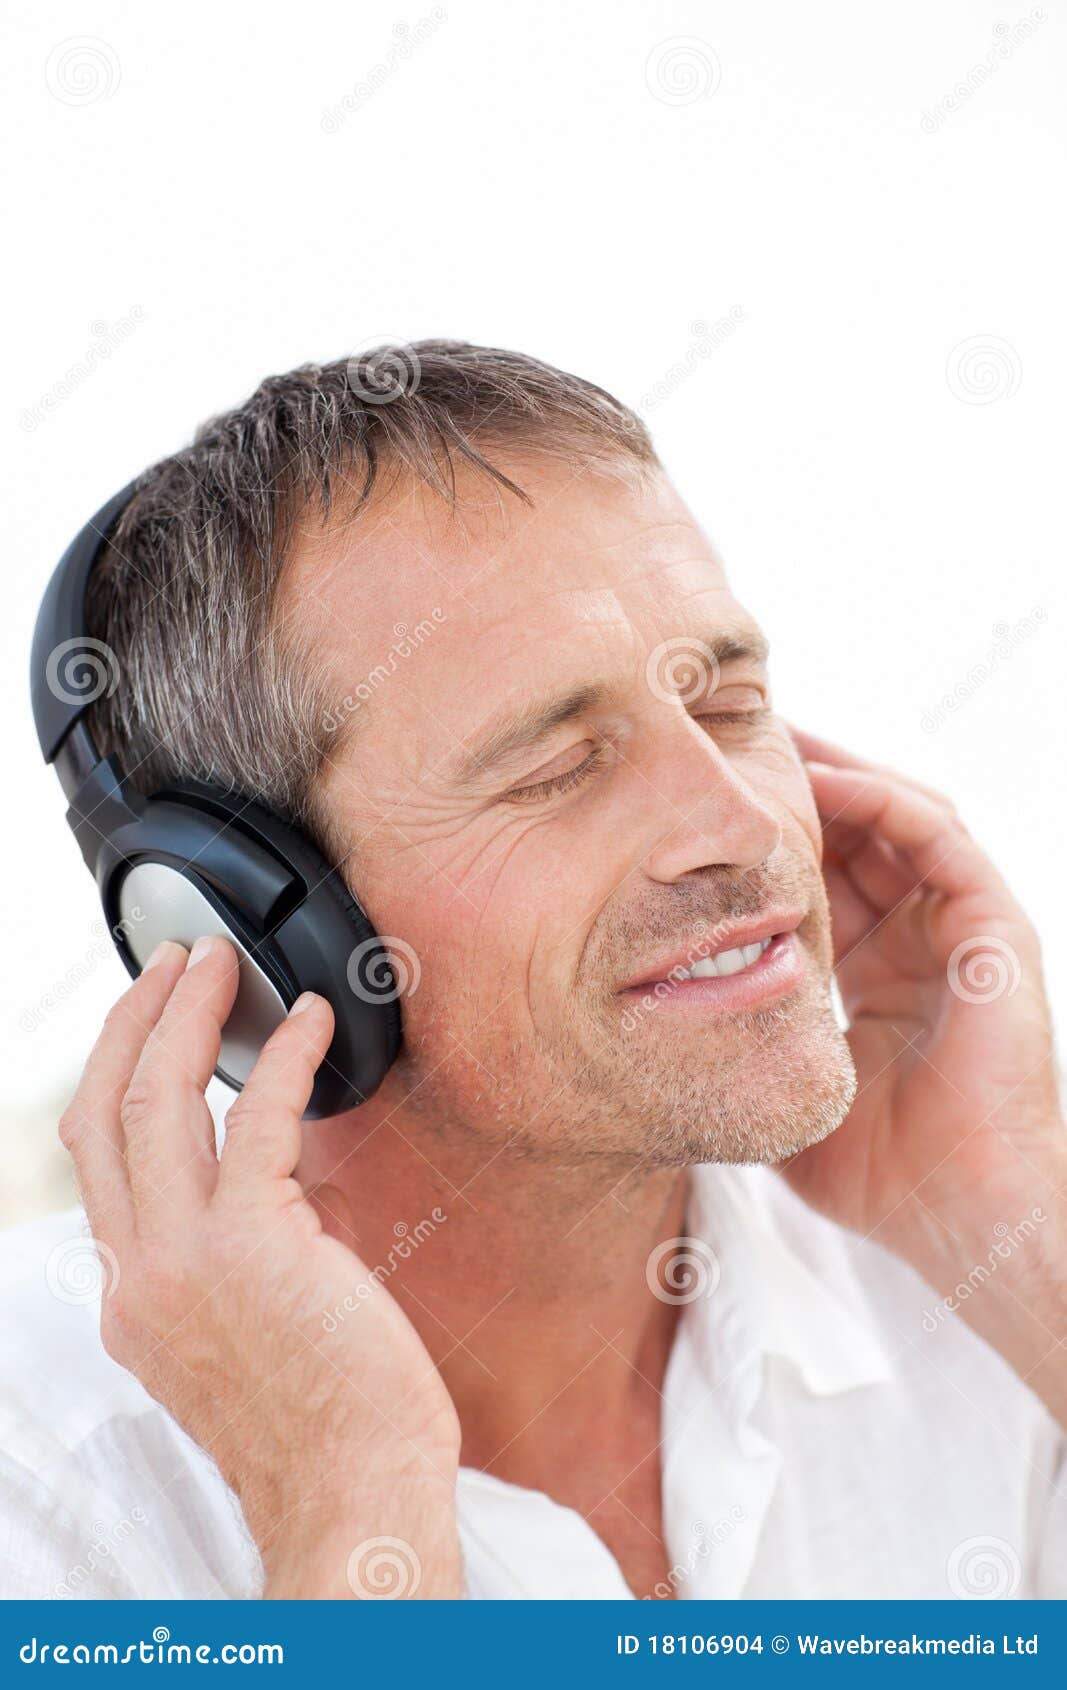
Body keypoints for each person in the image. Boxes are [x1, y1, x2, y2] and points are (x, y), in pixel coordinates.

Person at [3, 343, 1064, 1600]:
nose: (740, 825)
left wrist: (1011, 1221)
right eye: (554, 766)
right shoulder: (48, 1487)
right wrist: (348, 1507)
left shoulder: (984, 1298)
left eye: (726, 705)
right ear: (254, 927)